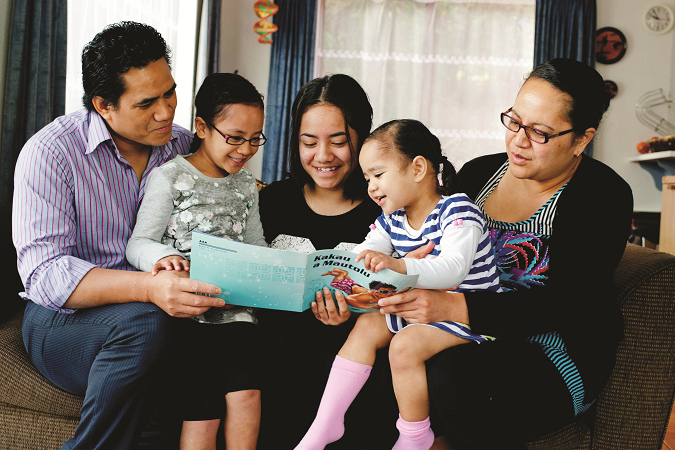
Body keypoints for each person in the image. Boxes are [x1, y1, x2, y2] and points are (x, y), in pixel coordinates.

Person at [374, 59, 633, 450]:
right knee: (376, 344)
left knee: (453, 372)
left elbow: (565, 303)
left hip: (551, 348)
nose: (518, 140)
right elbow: (424, 231)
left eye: (540, 133)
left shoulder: (602, 195)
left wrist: (450, 307)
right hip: (462, 331)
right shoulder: (479, 174)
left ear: (582, 139)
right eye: (514, 120)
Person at [12, 21, 223, 450]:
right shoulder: (51, 153)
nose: (167, 111)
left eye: (170, 92)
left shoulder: (185, 147)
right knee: (146, 321)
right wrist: (148, 288)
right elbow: (46, 275)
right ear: (104, 105)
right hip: (63, 319)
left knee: (198, 340)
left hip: (164, 314)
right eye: (148, 103)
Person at [295, 119, 500, 450]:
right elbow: (365, 251)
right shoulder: (393, 218)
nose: (371, 187)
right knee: (364, 328)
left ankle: (414, 436)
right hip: (421, 310)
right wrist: (340, 268)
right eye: (366, 179)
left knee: (405, 345)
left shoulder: (457, 209)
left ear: (418, 168)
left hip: (465, 317)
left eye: (378, 175)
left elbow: (453, 270)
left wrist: (398, 264)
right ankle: (325, 424)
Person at [257, 74, 400, 449]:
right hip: (274, 360)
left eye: (338, 141)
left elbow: (398, 297)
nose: (323, 156)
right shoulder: (273, 201)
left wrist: (352, 314)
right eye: (309, 142)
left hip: (349, 367)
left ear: (362, 139)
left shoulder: (386, 210)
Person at [125, 72, 267, 449]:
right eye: (235, 138)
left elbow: (257, 246)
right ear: (202, 127)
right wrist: (165, 256)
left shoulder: (246, 184)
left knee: (247, 398)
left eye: (255, 139)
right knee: (203, 413)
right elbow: (138, 243)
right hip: (189, 316)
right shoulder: (169, 177)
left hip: (238, 314)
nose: (246, 149)